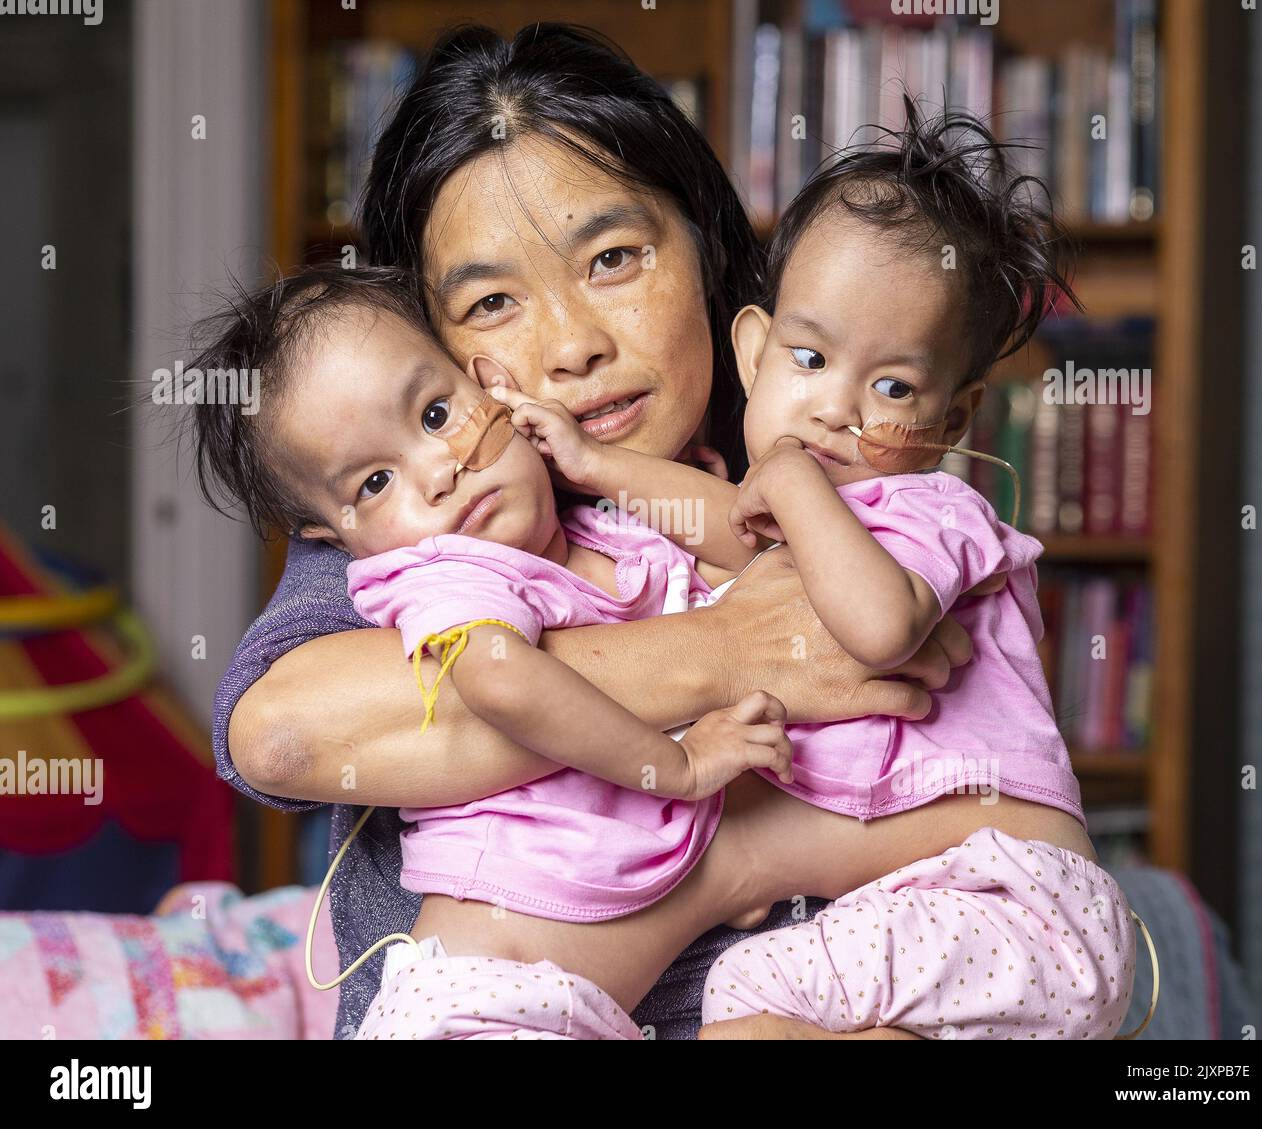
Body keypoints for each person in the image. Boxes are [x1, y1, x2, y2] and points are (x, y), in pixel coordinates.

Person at [216, 24, 1079, 1041]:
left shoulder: (835, 478)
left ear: (708, 250)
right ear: (427, 340)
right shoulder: (420, 521)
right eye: (491, 301)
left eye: (614, 258)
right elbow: (286, 731)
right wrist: (723, 652)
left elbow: (1019, 844)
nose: (574, 346)